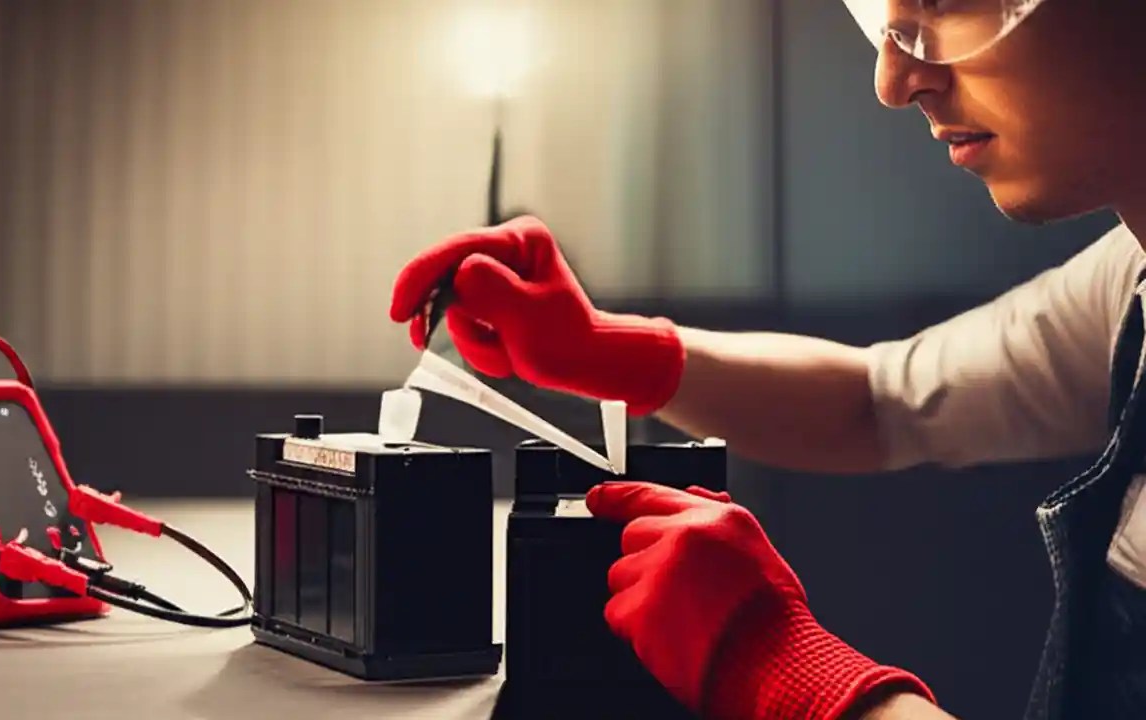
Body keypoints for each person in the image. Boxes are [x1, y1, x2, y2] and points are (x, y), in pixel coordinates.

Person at [389, 1, 1146, 718]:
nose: (893, 81)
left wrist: (782, 666)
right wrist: (602, 348)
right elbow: (879, 403)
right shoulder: (1130, 279)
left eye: (947, 1)